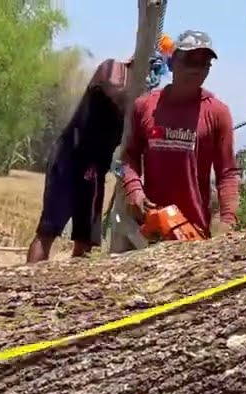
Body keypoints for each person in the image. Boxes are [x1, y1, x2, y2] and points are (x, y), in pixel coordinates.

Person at [25, 37, 173, 264]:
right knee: (48, 230)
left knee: (85, 240)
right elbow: (116, 89)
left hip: (95, 169)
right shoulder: (112, 69)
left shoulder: (140, 102)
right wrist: (138, 87)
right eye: (155, 65)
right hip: (69, 159)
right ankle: (29, 284)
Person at [117, 30, 240, 250]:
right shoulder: (145, 106)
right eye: (191, 60)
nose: (198, 68)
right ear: (173, 62)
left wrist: (227, 223)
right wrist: (134, 190)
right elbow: (129, 157)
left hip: (191, 233)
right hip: (149, 228)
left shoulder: (217, 113)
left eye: (205, 63)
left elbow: (227, 173)